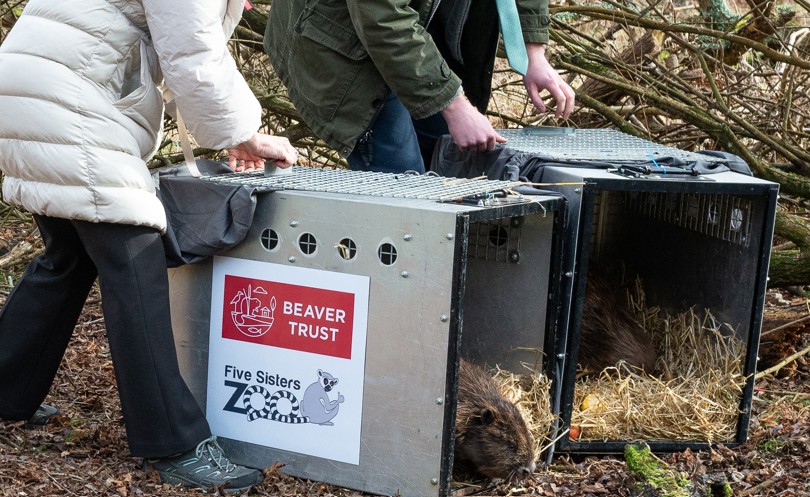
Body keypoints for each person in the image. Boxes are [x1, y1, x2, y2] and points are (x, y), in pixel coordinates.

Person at [0, 0, 297, 493]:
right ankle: (174, 443)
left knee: (68, 257)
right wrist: (245, 133)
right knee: (135, 265)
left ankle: (6, 389)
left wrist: (228, 130)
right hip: (70, 101)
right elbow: (192, 51)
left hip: (28, 87)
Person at [264, 0, 575, 174]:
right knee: (406, 188)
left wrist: (533, 53)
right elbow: (383, 19)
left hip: (424, 33)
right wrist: (454, 105)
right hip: (345, 44)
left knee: (451, 166)